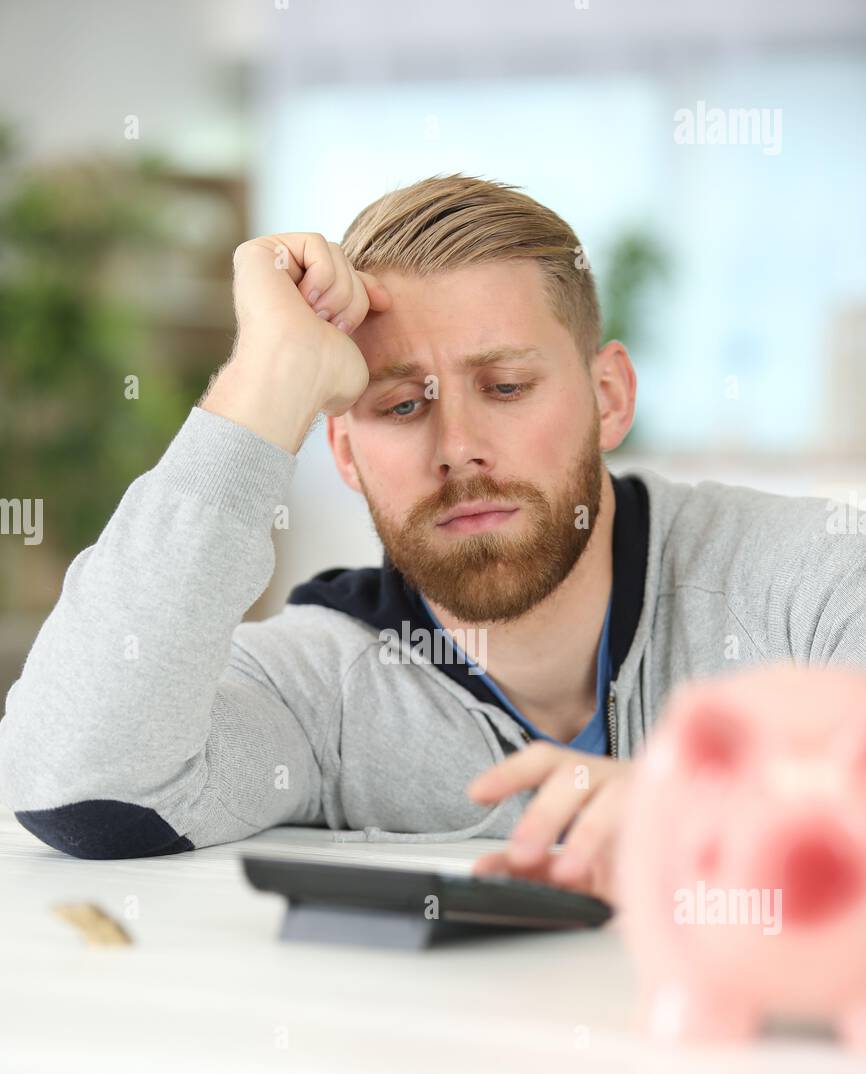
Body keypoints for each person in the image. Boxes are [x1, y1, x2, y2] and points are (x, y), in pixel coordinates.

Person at [1, 174, 864, 905]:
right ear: (343, 450)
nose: (457, 449)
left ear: (609, 397)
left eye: (507, 385)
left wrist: (713, 809)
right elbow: (75, 789)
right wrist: (268, 385)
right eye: (400, 406)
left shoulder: (808, 579)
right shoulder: (325, 689)